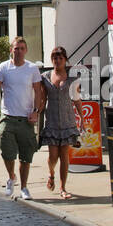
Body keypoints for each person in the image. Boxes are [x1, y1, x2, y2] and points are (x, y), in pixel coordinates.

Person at [0, 36, 44, 200]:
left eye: (21, 48)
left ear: (26, 50)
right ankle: (11, 177)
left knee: (26, 156)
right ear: (11, 50)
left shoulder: (32, 69)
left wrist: (35, 111)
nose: (18, 51)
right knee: (7, 152)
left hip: (26, 119)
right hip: (8, 116)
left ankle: (24, 187)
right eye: (15, 48)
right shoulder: (3, 68)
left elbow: (38, 92)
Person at [40, 46, 79, 199]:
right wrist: (36, 113)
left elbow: (76, 99)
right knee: (53, 156)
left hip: (67, 120)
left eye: (60, 58)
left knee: (64, 155)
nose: (57, 61)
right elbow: (42, 99)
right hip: (52, 121)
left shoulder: (71, 79)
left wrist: (81, 116)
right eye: (55, 58)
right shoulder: (45, 77)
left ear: (65, 60)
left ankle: (63, 188)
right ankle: (51, 174)